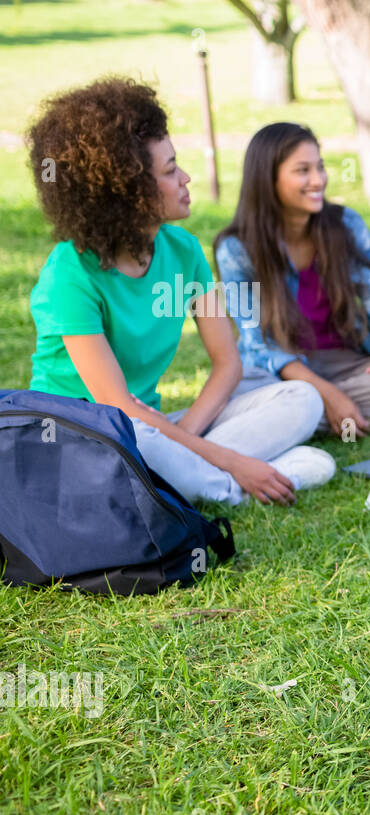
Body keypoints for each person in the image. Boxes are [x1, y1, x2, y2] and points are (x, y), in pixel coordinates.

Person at [26, 78, 334, 506]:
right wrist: (229, 460)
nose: (185, 178)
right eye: (170, 171)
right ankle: (235, 488)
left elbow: (229, 364)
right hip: (87, 439)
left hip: (155, 428)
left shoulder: (183, 250)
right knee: (142, 442)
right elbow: (117, 408)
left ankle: (185, 478)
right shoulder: (69, 275)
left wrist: (187, 437)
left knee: (301, 398)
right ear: (127, 191)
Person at [216, 123, 370, 439]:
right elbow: (256, 344)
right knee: (245, 394)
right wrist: (328, 394)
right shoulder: (237, 249)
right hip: (283, 375)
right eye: (303, 170)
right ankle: (368, 415)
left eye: (319, 167)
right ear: (268, 179)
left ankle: (326, 418)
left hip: (350, 364)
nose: (318, 180)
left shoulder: (343, 225)